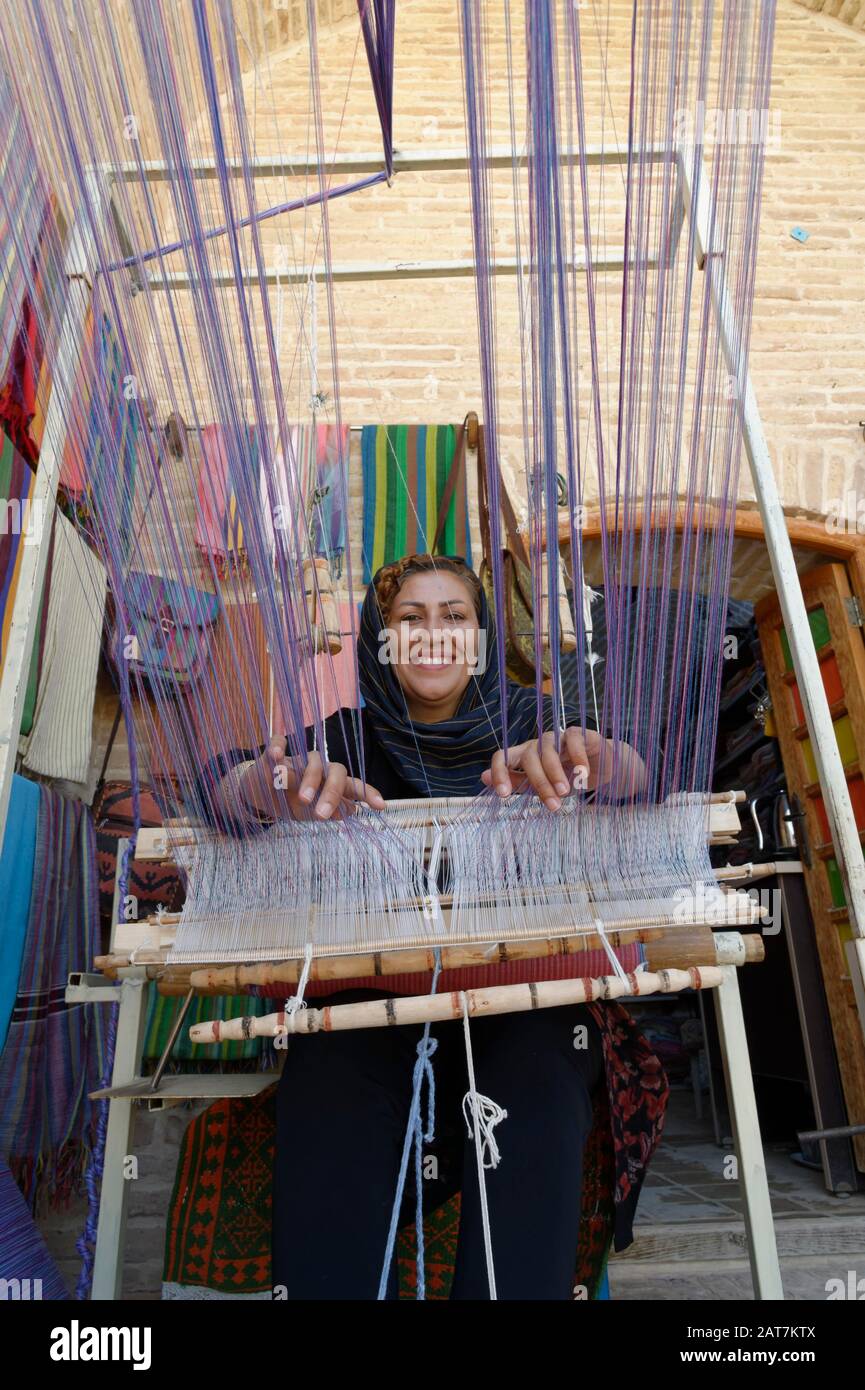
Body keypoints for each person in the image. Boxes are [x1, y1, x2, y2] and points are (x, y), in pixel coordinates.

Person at [201, 553, 668, 1300]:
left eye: (455, 617)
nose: (432, 635)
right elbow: (222, 787)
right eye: (408, 619)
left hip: (524, 1008)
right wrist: (268, 786)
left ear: (481, 638)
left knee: (541, 1080)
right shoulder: (347, 740)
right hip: (369, 1010)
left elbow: (642, 777)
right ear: (378, 641)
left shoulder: (533, 723)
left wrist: (597, 762)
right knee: (325, 1082)